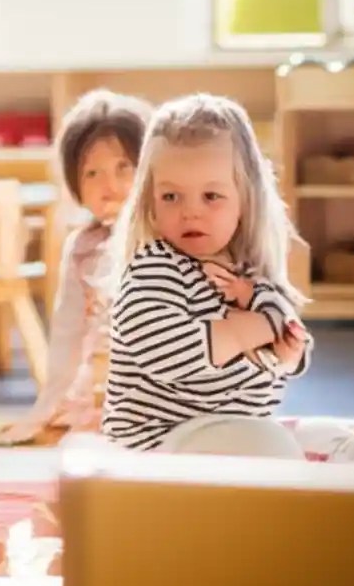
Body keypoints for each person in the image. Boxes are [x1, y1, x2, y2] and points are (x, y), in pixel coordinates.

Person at [100, 93, 311, 457]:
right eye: (171, 197)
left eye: (211, 196)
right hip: (158, 445)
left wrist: (288, 353)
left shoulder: (248, 272)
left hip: (232, 432)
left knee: (327, 436)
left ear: (245, 199)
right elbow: (171, 353)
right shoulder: (153, 271)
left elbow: (285, 331)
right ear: (150, 201)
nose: (190, 213)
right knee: (275, 447)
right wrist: (252, 329)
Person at [0, 89, 152, 446]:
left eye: (124, 168)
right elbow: (67, 333)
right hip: (98, 385)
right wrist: (47, 405)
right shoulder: (82, 247)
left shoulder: (167, 235)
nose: (109, 186)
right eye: (92, 173)